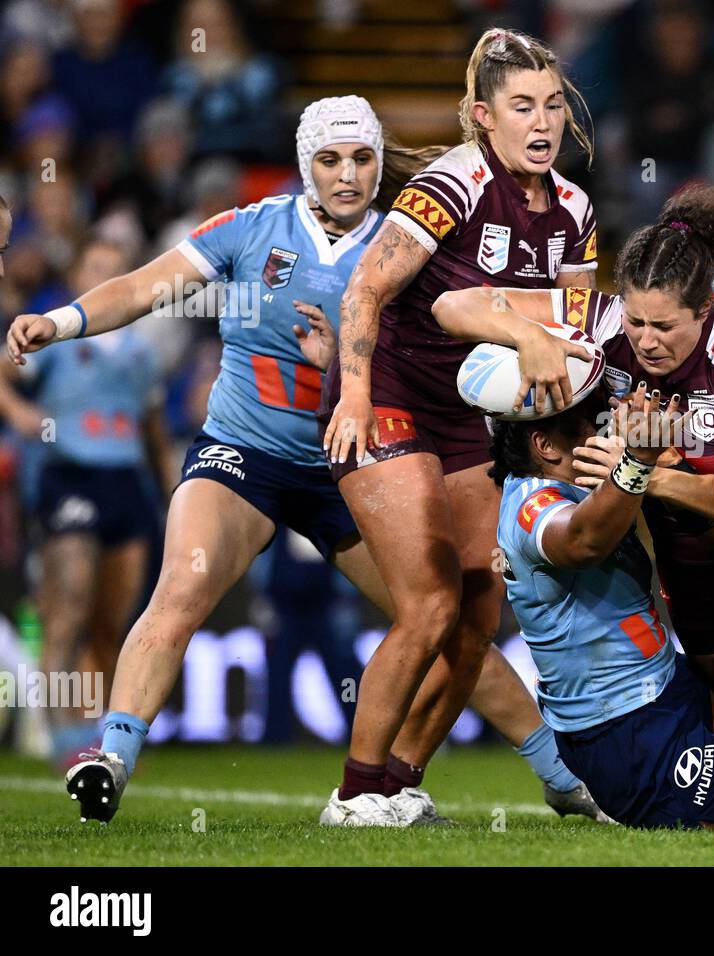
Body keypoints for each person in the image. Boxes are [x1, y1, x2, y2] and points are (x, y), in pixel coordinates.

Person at [7, 95, 585, 827]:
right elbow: (144, 288)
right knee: (182, 587)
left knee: (440, 618)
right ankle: (111, 759)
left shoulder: (411, 244)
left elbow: (449, 347)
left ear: (381, 162)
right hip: (244, 454)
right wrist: (58, 321)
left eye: (364, 158)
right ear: (304, 164)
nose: (348, 175)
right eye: (330, 159)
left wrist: (349, 369)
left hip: (354, 465)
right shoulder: (252, 228)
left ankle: (559, 773)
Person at [434, 186, 714, 811]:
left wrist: (652, 473)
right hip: (691, 557)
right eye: (636, 321)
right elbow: (453, 304)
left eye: (665, 326)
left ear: (706, 309)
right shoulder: (595, 319)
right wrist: (527, 334)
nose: (646, 342)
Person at [318, 29, 606, 823]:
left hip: (471, 420)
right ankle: (352, 790)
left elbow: (572, 334)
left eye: (553, 104)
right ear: (485, 116)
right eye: (522, 106)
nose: (542, 121)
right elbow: (365, 293)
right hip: (389, 398)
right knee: (429, 605)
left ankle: (398, 781)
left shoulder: (576, 210)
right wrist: (352, 397)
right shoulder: (451, 185)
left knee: (479, 615)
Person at [0, 238, 168, 765]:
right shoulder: (54, 337)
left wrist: (168, 489)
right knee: (67, 606)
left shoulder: (141, 352)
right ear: (77, 277)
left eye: (115, 269)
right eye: (96, 267)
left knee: (113, 620)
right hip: (68, 477)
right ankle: (58, 735)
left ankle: (103, 733)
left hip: (125, 482)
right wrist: (18, 415)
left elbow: (151, 427)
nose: (104, 277)